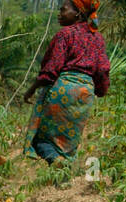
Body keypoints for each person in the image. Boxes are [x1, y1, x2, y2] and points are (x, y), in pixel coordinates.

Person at [23, 0, 110, 165]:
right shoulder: (98, 39)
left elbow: (50, 70)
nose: (59, 14)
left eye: (63, 10)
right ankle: (64, 173)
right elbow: (103, 70)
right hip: (85, 94)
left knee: (41, 138)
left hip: (63, 89)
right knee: (69, 142)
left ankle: (56, 161)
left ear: (78, 13)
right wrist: (100, 90)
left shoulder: (65, 34)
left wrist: (31, 90)